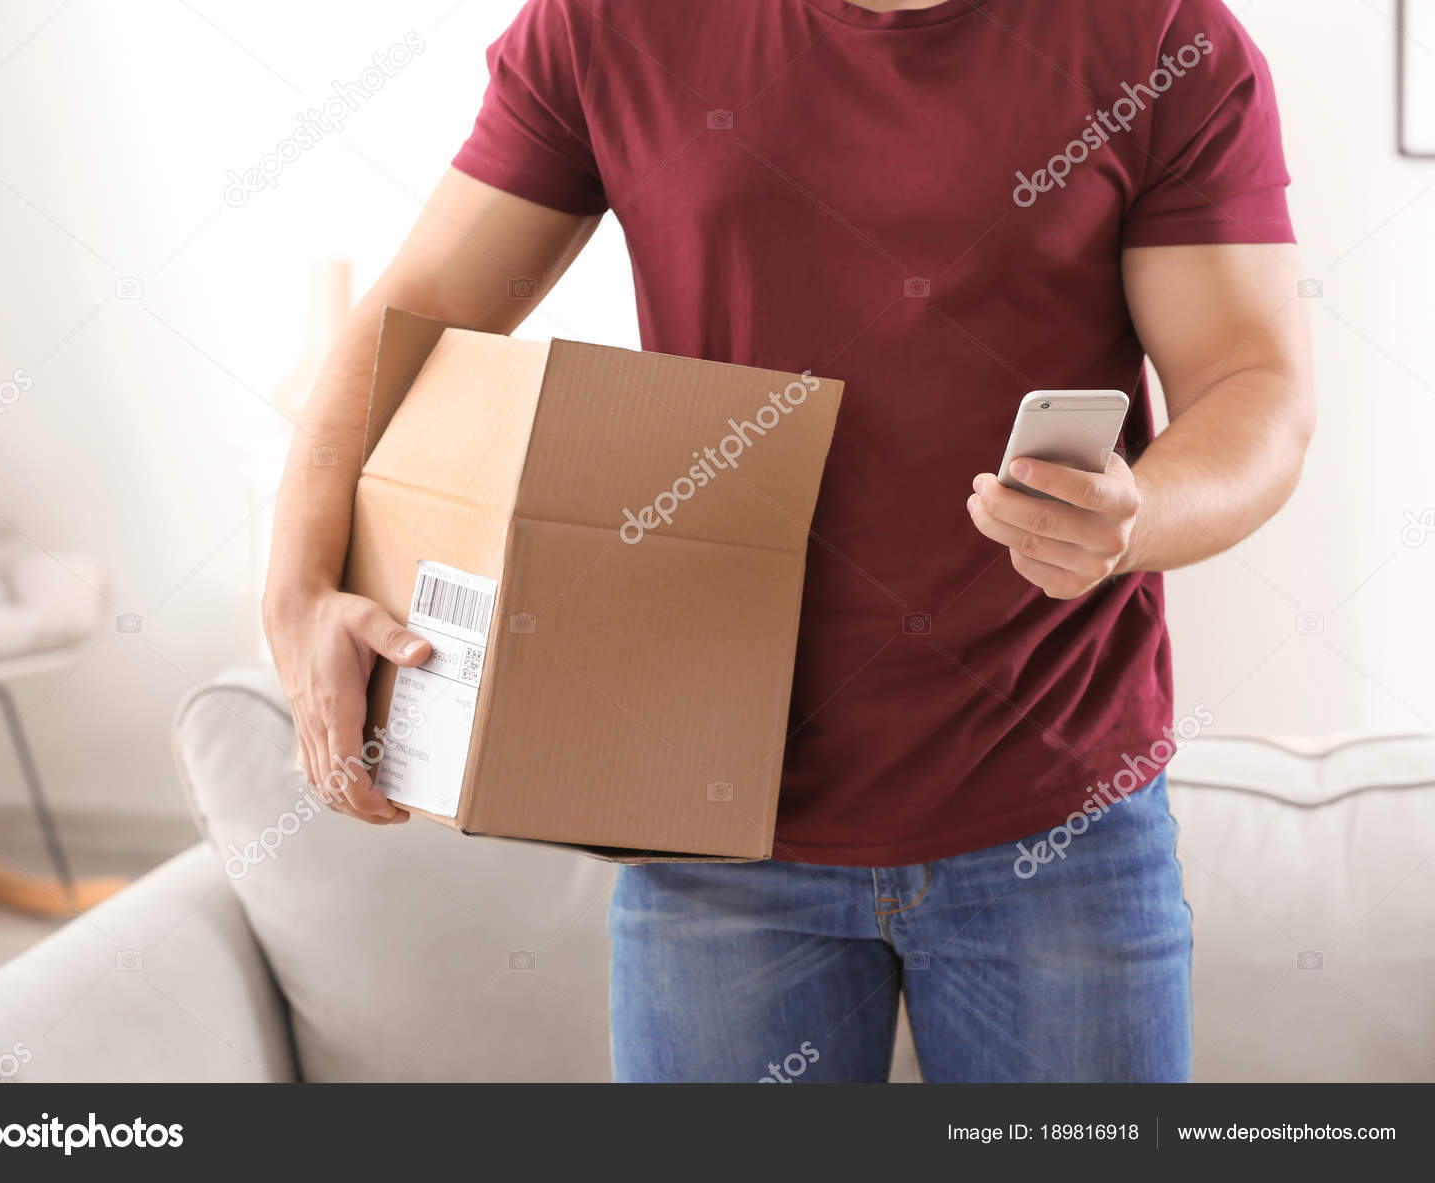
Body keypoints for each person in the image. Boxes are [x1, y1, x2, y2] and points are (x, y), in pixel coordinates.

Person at [263, 0, 1313, 1082]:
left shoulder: (1160, 35)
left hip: (1059, 809)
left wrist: (1133, 515)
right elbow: (421, 310)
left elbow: (1253, 387)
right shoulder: (603, 23)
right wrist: (293, 589)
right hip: (707, 821)